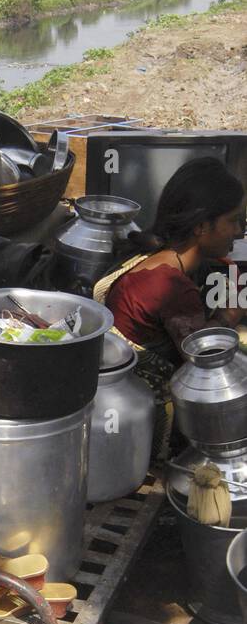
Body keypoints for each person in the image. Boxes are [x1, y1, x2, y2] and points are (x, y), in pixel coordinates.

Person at [94, 157, 246, 452]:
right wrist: (231, 311)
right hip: (147, 422)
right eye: (234, 220)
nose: (239, 231)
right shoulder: (169, 287)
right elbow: (207, 362)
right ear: (202, 226)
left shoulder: (153, 254)